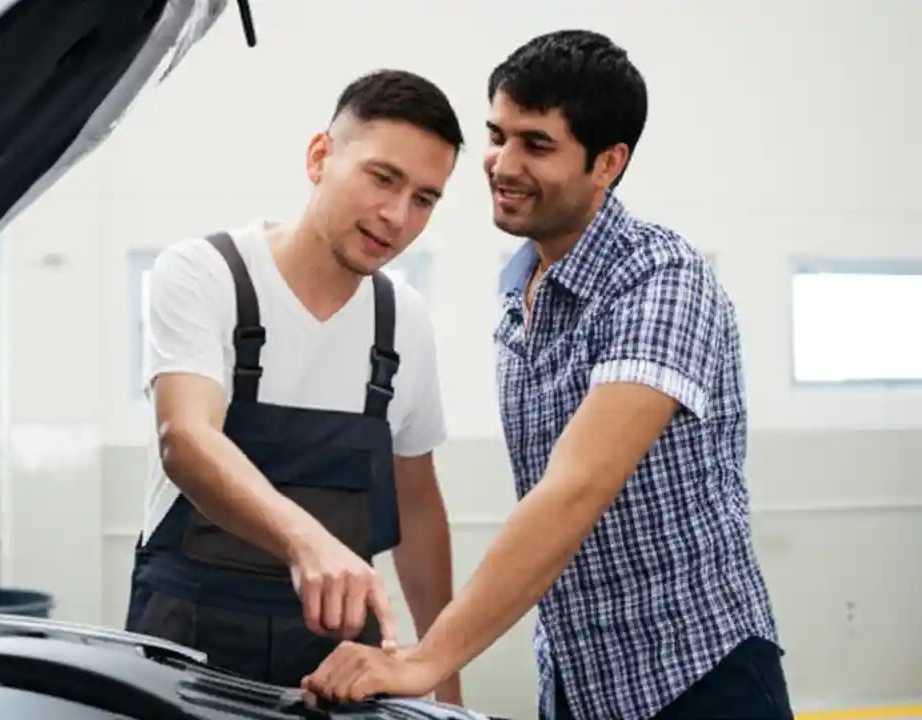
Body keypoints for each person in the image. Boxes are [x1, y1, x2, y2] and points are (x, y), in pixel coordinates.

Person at [301, 30, 793, 720]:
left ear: (607, 163)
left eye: (536, 144)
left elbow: (575, 488)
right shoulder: (519, 294)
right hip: (576, 682)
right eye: (497, 135)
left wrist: (428, 658)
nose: (502, 163)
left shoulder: (663, 281)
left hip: (697, 678)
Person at [124, 69, 464, 703]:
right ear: (319, 157)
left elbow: (417, 505)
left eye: (424, 199)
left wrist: (441, 673)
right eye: (382, 178)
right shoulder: (206, 275)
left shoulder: (404, 323)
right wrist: (307, 542)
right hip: (188, 639)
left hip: (338, 659)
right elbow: (186, 437)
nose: (396, 215)